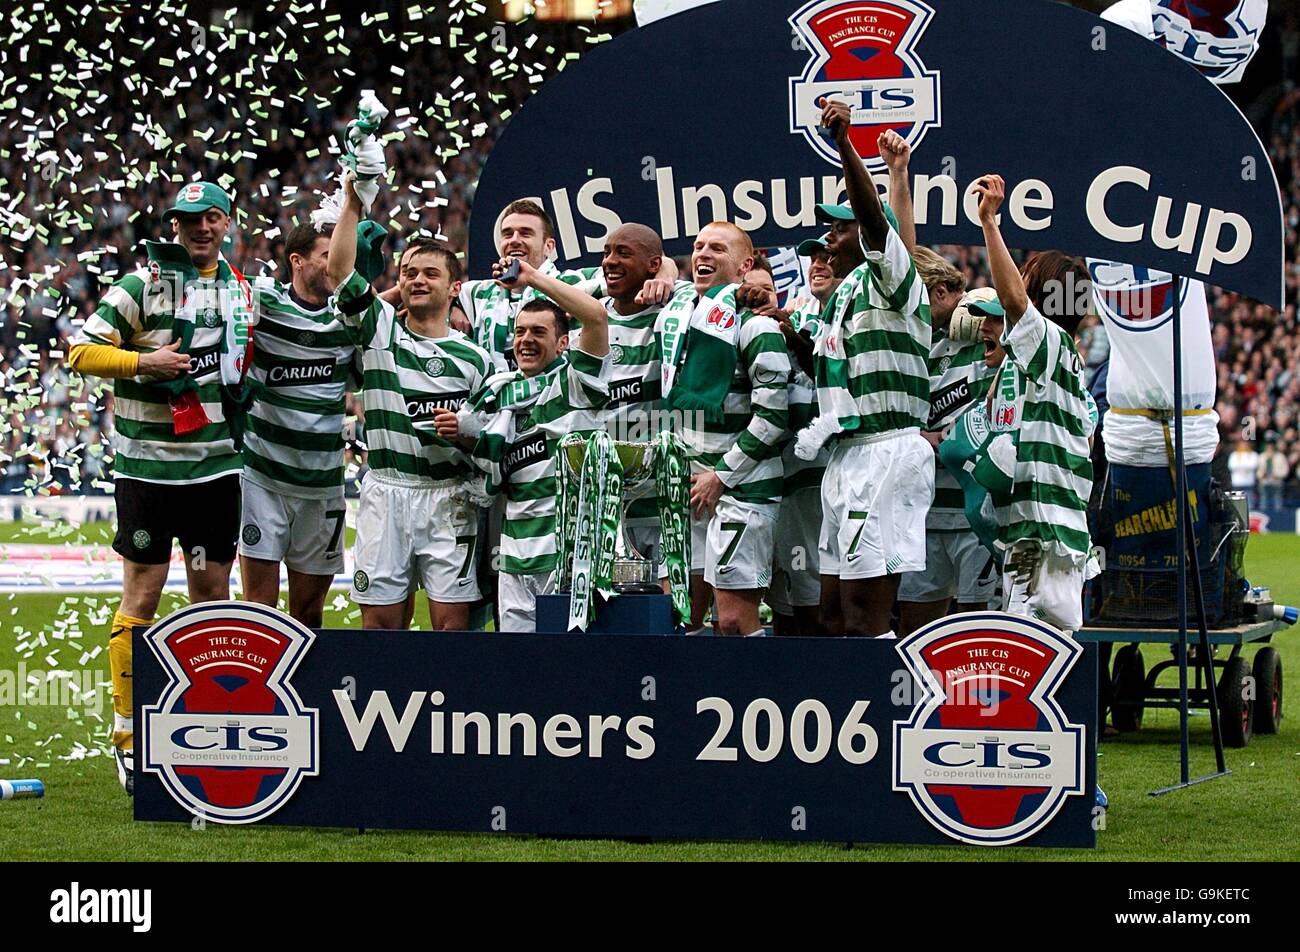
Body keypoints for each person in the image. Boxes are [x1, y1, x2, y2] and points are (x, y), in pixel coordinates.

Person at [67, 180, 252, 795]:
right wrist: (146, 363)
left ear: (227, 223)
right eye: (187, 221)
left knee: (211, 596)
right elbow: (80, 353)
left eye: (210, 219)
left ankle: (204, 725)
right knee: (142, 595)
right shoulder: (143, 283)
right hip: (147, 470)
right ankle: (126, 736)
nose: (199, 229)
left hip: (214, 470)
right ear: (173, 226)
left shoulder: (240, 289)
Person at [327, 176, 493, 631]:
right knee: (380, 626)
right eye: (409, 273)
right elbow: (339, 271)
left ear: (454, 288)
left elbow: (492, 438)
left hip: (450, 497)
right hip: (386, 489)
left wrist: (466, 433)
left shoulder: (476, 358)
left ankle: (451, 703)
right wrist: (351, 203)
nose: (418, 280)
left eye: (430, 273)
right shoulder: (381, 331)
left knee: (452, 628)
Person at [802, 99, 934, 638]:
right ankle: (843, 716)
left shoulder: (891, 279)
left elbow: (878, 223)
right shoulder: (838, 299)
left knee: (864, 616)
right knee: (830, 612)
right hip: (845, 455)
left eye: (836, 233)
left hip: (886, 451)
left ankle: (881, 713)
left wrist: (846, 145)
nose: (826, 245)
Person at [448, 260, 613, 632]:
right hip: (515, 553)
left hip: (570, 554)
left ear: (563, 342)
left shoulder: (575, 384)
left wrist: (534, 278)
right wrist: (459, 432)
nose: (526, 340)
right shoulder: (499, 394)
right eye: (520, 332)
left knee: (566, 665)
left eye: (539, 332)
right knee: (521, 668)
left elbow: (597, 317)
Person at [972, 173, 1096, 633]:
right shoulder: (1046, 360)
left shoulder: (1054, 343)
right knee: (1043, 657)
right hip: (1038, 534)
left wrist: (990, 222)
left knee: (1034, 658)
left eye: (1028, 280)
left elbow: (1012, 300)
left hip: (1045, 539)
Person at [658, 222, 791, 637]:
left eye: (717, 248)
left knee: (733, 621)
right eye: (698, 246)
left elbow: (773, 418)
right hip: (690, 488)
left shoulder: (757, 326)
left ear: (743, 264)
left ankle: (753, 696)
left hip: (742, 489)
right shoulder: (677, 318)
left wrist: (722, 475)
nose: (703, 254)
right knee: (682, 617)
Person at [239, 223, 357, 627]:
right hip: (263, 481)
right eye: (327, 256)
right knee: (259, 610)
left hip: (322, 487)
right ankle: (261, 692)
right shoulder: (263, 302)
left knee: (309, 614)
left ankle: (301, 693)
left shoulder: (350, 320)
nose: (335, 266)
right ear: (297, 260)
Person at [742, 243, 837, 635]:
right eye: (751, 291)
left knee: (812, 600)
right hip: (759, 489)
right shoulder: (728, 340)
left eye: (767, 289)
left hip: (811, 485)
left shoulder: (804, 327)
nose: (760, 297)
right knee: (778, 601)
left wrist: (791, 331)